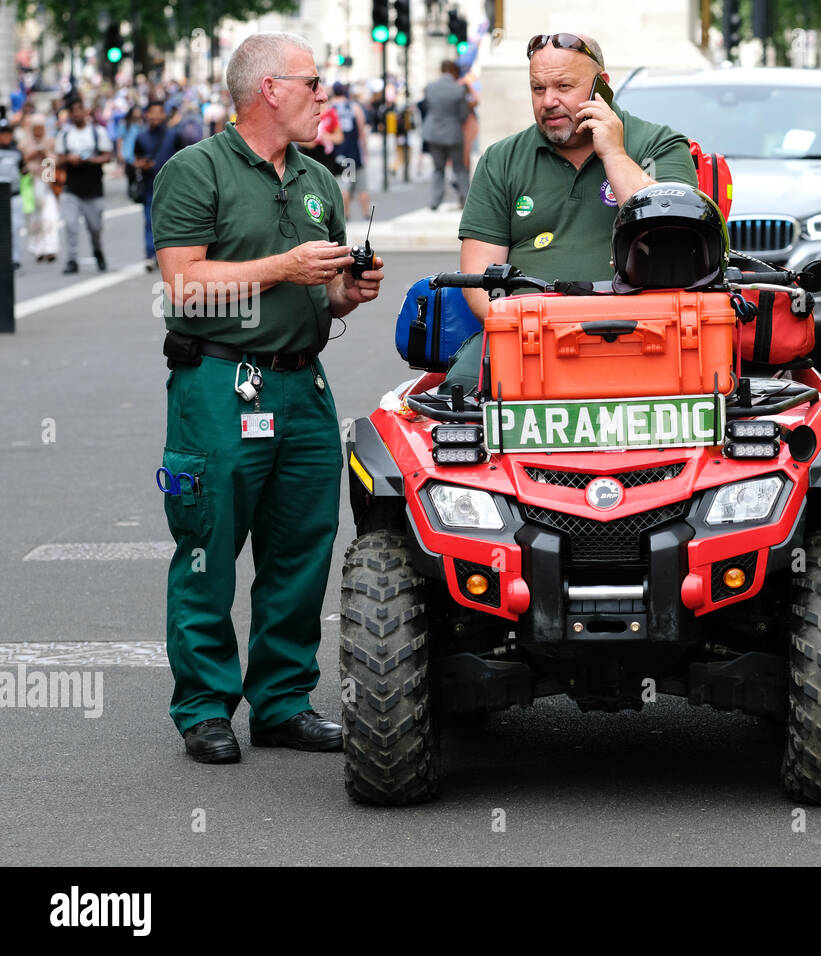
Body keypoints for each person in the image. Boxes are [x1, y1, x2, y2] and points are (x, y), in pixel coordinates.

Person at [151, 31, 385, 764]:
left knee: (302, 549)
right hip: (222, 381)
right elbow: (182, 284)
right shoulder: (196, 170)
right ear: (269, 90)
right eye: (313, 83)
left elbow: (325, 295)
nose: (325, 95)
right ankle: (204, 708)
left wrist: (349, 291)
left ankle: (282, 702)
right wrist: (285, 266)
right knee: (209, 547)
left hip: (303, 383)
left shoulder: (317, 178)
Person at [443, 31, 697, 393]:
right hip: (524, 336)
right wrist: (538, 335)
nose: (549, 101)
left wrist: (614, 154)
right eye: (538, 89)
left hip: (643, 332)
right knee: (458, 404)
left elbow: (675, 237)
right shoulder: (501, 160)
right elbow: (479, 282)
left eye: (563, 86)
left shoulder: (659, 143)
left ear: (601, 87)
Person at [54, 96, 113, 273]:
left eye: (79, 109)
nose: (77, 114)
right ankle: (71, 260)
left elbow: (107, 156)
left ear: (85, 111)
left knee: (95, 227)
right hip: (71, 188)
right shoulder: (64, 134)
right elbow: (56, 160)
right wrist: (68, 159)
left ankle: (97, 251)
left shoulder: (97, 132)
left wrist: (88, 159)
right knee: (70, 225)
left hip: (93, 188)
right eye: (73, 111)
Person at [133, 100, 182, 271]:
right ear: (146, 115)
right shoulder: (140, 137)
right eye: (151, 112)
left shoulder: (174, 136)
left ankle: (169, 257)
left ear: (163, 115)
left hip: (172, 187)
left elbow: (184, 158)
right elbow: (135, 160)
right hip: (149, 186)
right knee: (149, 221)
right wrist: (141, 164)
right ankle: (149, 255)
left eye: (158, 112)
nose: (154, 116)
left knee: (172, 222)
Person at [420, 60, 470, 210]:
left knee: (438, 168)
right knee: (459, 168)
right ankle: (466, 200)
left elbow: (427, 108)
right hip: (453, 134)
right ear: (454, 71)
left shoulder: (430, 87)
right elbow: (463, 115)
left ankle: (435, 201)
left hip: (434, 133)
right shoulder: (459, 89)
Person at [20, 113, 61, 263]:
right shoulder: (24, 143)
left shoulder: (49, 141)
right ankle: (38, 249)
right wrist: (31, 156)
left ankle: (51, 248)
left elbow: (53, 162)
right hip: (31, 185)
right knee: (34, 221)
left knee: (49, 218)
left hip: (46, 183)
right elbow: (21, 164)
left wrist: (44, 154)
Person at [330, 81, 370, 220]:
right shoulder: (354, 107)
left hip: (340, 153)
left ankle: (346, 215)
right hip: (354, 152)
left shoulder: (331, 108)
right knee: (361, 186)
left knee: (345, 186)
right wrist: (365, 151)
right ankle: (366, 214)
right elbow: (362, 131)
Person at [0, 120, 23, 270]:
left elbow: (24, 169)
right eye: (3, 133)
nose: (6, 136)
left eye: (9, 133)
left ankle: (14, 258)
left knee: (15, 228)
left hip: (14, 195)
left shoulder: (17, 151)